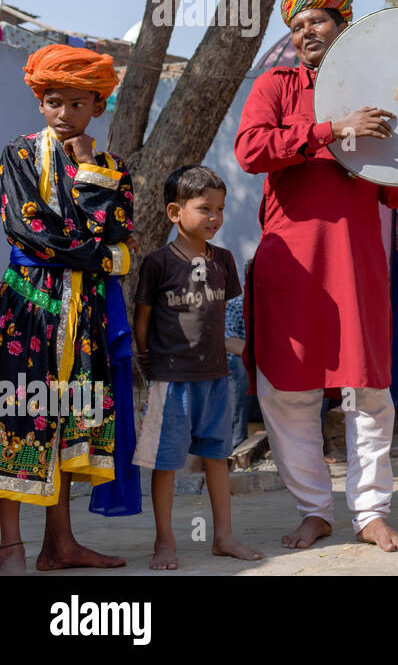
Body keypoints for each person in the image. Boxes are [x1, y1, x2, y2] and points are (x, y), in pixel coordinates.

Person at [234, 0, 398, 553]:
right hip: (292, 264)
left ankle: (369, 513)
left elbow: (390, 186)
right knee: (288, 392)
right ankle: (314, 510)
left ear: (343, 25)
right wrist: (333, 129)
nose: (307, 32)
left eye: (319, 21)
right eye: (298, 25)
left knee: (366, 390)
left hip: (355, 262)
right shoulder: (275, 85)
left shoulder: (380, 90)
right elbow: (251, 150)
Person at [0, 44, 136, 573]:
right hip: (29, 312)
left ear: (97, 107)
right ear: (39, 102)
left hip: (85, 319)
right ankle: (9, 545)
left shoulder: (111, 167)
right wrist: (102, 255)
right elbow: (30, 233)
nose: (64, 113)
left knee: (65, 427)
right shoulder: (17, 155)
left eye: (77, 104)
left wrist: (87, 173)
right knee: (19, 419)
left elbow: (121, 233)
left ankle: (59, 546)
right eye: (53, 101)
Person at [132, 165, 261, 569]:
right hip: (170, 380)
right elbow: (143, 320)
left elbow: (221, 320)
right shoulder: (158, 263)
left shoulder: (223, 260)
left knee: (216, 458)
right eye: (204, 208)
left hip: (216, 379)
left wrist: (241, 351)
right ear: (174, 212)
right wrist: (147, 363)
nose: (215, 218)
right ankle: (165, 541)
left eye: (219, 209)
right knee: (167, 463)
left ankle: (223, 536)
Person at [224, 289, 250, 447]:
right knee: (238, 364)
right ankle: (237, 441)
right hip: (244, 386)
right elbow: (228, 342)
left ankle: (321, 445)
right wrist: (264, 355)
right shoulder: (236, 306)